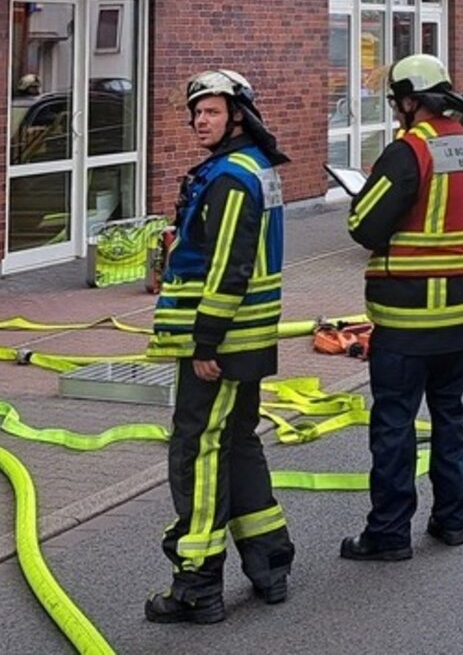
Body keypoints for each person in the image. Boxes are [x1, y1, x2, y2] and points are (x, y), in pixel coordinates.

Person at [145, 69, 294, 625]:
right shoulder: (252, 167)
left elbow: (230, 265)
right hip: (243, 337)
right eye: (196, 112)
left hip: (221, 342)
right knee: (237, 445)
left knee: (198, 452)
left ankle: (198, 584)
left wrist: (206, 341)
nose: (199, 121)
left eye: (210, 111)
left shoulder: (232, 177)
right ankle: (270, 562)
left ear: (237, 116)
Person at [341, 54, 463, 562]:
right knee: (450, 417)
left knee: (394, 427)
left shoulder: (409, 151)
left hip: (406, 321)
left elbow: (363, 225)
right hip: (461, 318)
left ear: (409, 102)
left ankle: (389, 533)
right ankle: (452, 520)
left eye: (396, 102)